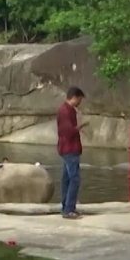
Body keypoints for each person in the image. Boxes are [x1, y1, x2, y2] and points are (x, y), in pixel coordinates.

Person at [56, 87, 87, 219]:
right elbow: (67, 131)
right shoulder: (64, 111)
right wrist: (81, 126)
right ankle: (69, 209)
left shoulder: (69, 110)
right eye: (79, 99)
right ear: (74, 97)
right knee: (74, 178)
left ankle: (66, 206)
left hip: (68, 148)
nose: (80, 102)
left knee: (66, 178)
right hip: (69, 149)